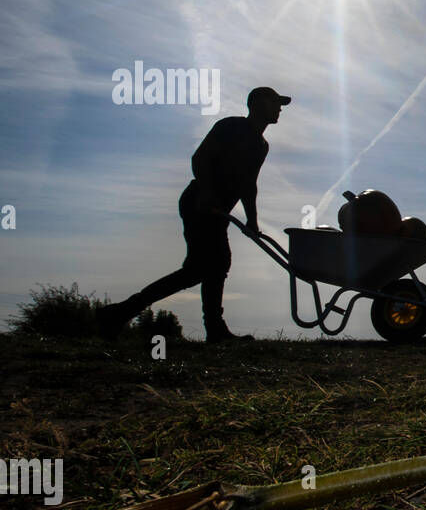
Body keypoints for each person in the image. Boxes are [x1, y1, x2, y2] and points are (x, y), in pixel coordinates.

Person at [98, 86, 290, 342]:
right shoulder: (230, 127)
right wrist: (208, 193)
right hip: (198, 203)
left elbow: (248, 185)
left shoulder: (261, 145)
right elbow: (200, 159)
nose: (279, 109)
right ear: (257, 103)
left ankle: (122, 313)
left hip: (218, 213)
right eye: (275, 102)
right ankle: (126, 313)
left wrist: (252, 220)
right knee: (207, 267)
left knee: (210, 267)